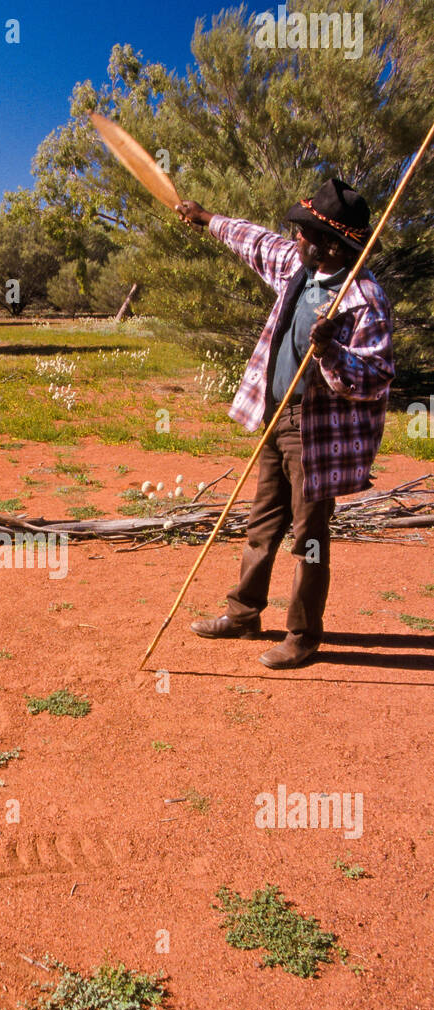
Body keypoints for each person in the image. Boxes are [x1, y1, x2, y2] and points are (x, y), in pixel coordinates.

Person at [176, 178, 394, 669]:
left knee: (309, 537)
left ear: (333, 245)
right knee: (261, 524)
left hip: (318, 431)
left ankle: (302, 635)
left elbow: (377, 377)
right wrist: (206, 217)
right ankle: (243, 613)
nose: (296, 239)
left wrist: (332, 351)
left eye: (307, 233)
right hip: (277, 418)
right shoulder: (298, 267)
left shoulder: (363, 297)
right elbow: (255, 241)